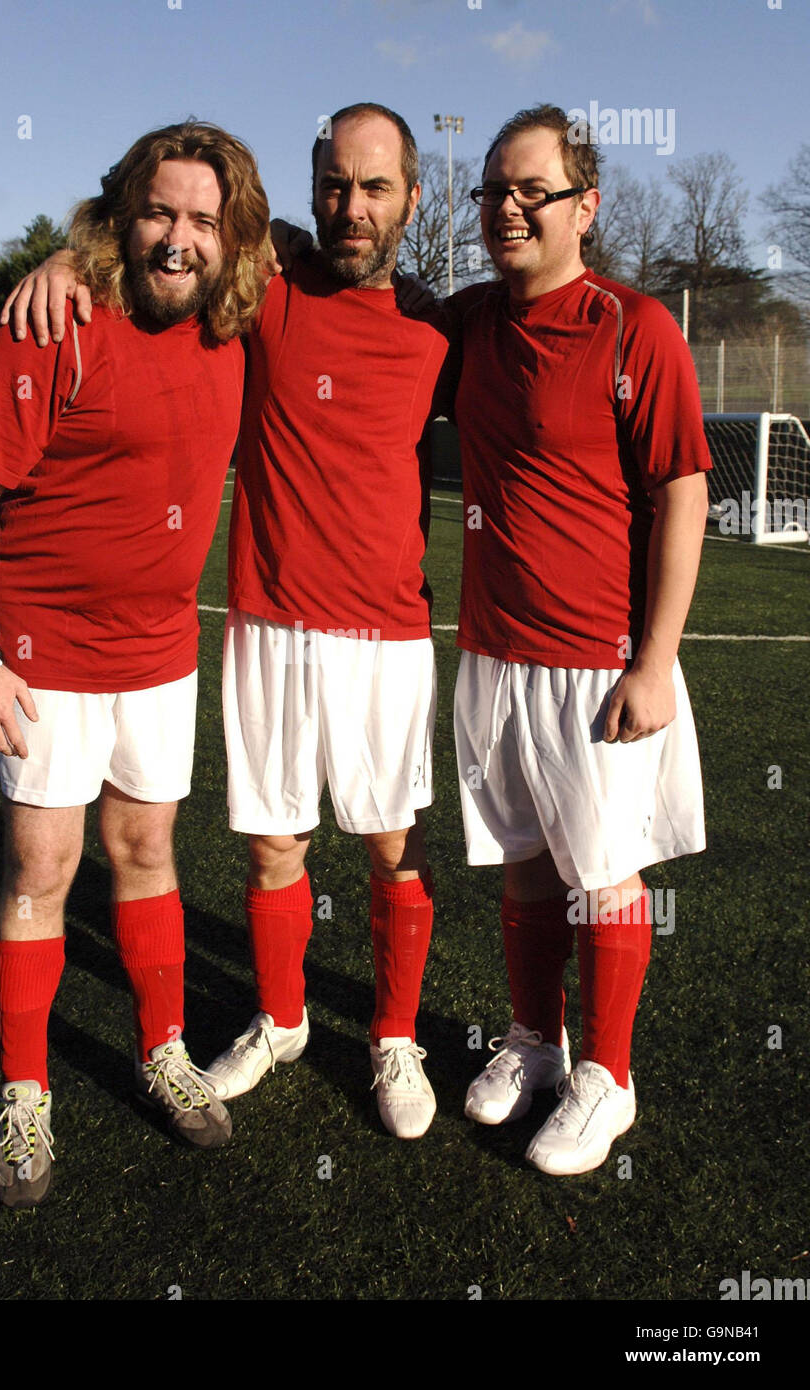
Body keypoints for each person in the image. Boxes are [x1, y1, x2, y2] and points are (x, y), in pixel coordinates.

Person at [3, 104, 451, 1140]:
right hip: (266, 620)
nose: (351, 206)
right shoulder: (260, 290)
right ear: (309, 189)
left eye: (374, 187)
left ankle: (393, 1036)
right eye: (334, 185)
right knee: (270, 850)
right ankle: (282, 1017)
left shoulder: (444, 324)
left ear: (408, 200)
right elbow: (158, 234)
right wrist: (67, 260)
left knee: (392, 847)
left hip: (385, 630)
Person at [0, 121, 271, 1206]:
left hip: (161, 652)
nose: (179, 239)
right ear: (122, 216)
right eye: (159, 213)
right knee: (41, 866)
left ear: (234, 239)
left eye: (203, 221)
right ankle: (26, 1091)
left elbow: (347, 256)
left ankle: (162, 1047)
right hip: (42, 653)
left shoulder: (237, 325)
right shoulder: (57, 321)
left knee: (145, 849)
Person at [448, 104, 710, 1174]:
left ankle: (609, 1076)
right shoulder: (465, 323)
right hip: (490, 652)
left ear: (582, 207)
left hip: (597, 659)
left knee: (601, 873)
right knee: (522, 865)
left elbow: (681, 490)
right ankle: (536, 1043)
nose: (506, 208)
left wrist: (653, 661)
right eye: (493, 192)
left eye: (530, 191)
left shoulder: (632, 325)